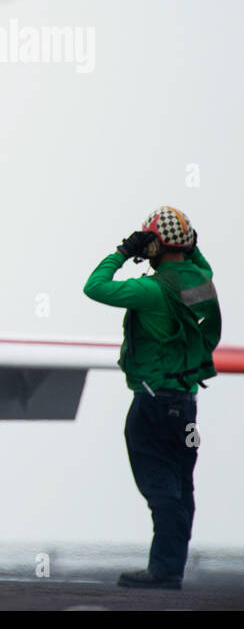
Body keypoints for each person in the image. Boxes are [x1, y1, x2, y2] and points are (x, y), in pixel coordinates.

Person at [83, 206, 220, 590]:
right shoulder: (200, 282)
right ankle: (171, 567)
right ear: (190, 244)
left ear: (155, 245)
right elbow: (193, 259)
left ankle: (162, 570)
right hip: (187, 406)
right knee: (181, 487)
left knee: (160, 488)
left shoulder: (151, 290)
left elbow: (94, 287)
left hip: (153, 403)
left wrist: (125, 251)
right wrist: (185, 244)